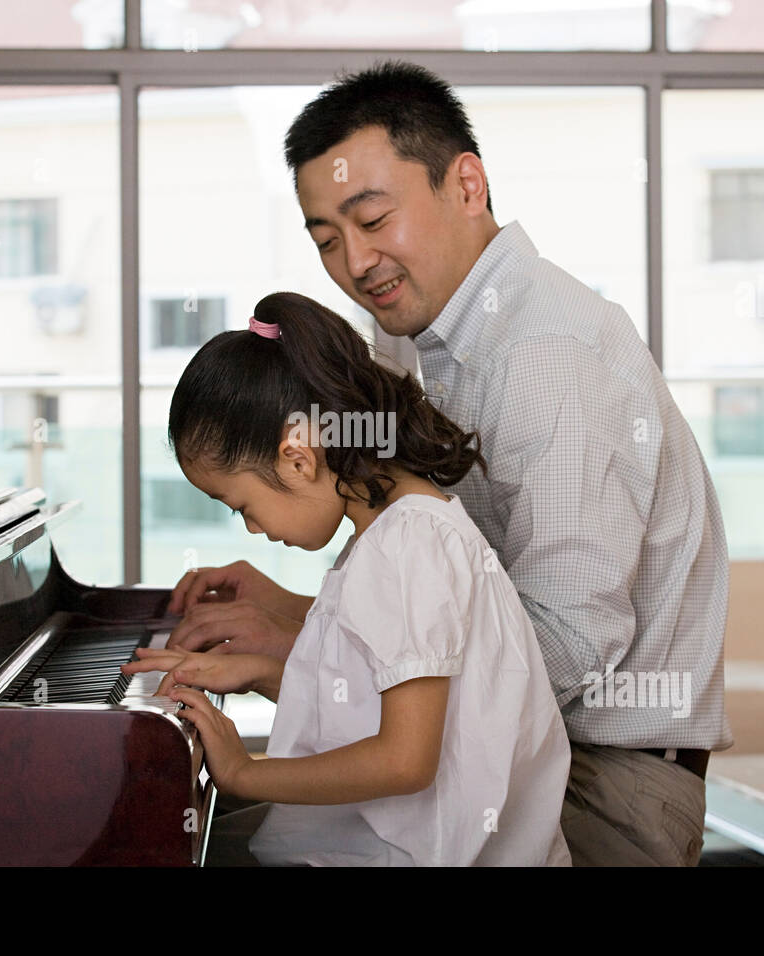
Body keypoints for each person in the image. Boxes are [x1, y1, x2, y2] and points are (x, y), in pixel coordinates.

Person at [168, 61, 733, 866]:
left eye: (372, 220)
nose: (355, 264)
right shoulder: (418, 338)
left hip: (600, 783)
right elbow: (447, 603)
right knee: (201, 839)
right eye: (328, 240)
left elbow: (558, 651)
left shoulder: (548, 355)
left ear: (467, 184)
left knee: (224, 842)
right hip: (510, 757)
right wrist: (299, 617)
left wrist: (297, 648)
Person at [126, 290, 571, 867]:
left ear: (297, 458)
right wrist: (260, 671)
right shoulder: (394, 532)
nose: (253, 530)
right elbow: (372, 705)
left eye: (240, 505)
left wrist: (244, 771)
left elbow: (404, 760)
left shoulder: (407, 545)